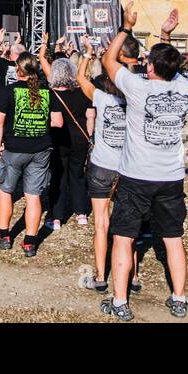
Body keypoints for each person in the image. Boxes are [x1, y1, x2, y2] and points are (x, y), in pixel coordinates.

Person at [99, 5, 188, 320]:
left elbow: (107, 61)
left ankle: (120, 302)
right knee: (173, 238)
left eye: (149, 61)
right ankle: (179, 298)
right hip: (170, 177)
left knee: (124, 237)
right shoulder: (183, 87)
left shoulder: (138, 88)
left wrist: (126, 28)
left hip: (135, 176)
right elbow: (175, 64)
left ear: (151, 66)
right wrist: (166, 35)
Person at [0, 53, 63, 256]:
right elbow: (58, 122)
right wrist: (38, 120)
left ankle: (4, 236)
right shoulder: (47, 92)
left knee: (5, 191)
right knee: (33, 195)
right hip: (41, 149)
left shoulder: (8, 91)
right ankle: (30, 242)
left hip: (14, 148)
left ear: (18, 70)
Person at [77, 44, 139, 294]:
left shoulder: (100, 98)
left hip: (102, 165)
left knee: (101, 223)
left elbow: (80, 77)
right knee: (129, 225)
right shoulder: (137, 99)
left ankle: (101, 276)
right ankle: (133, 277)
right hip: (129, 167)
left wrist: (87, 56)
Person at [45, 55, 91, 232]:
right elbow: (90, 116)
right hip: (80, 138)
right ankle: (81, 213)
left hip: (59, 139)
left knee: (58, 177)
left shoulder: (51, 94)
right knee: (78, 175)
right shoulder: (82, 92)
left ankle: (56, 217)